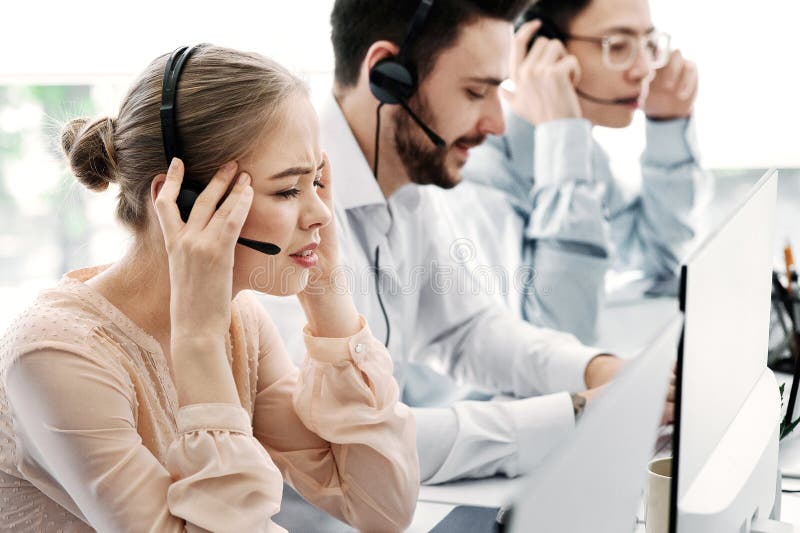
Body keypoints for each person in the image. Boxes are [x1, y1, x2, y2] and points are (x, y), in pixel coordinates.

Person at [0, 45, 418, 532]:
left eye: (316, 183)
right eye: (287, 189)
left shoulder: (240, 323)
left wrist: (327, 296)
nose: (322, 214)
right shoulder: (54, 358)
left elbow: (381, 509)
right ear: (180, 203)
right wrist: (197, 340)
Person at [261, 0, 666, 487]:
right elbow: (347, 436)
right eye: (477, 91)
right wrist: (575, 413)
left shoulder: (407, 183)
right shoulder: (282, 208)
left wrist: (598, 370)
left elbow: (467, 331)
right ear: (388, 76)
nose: (497, 123)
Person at [459, 0, 713, 343]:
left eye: (649, 44)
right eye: (618, 46)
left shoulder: (583, 154)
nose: (643, 70)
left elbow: (657, 260)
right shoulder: (476, 171)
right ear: (540, 48)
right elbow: (558, 343)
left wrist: (669, 124)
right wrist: (562, 134)